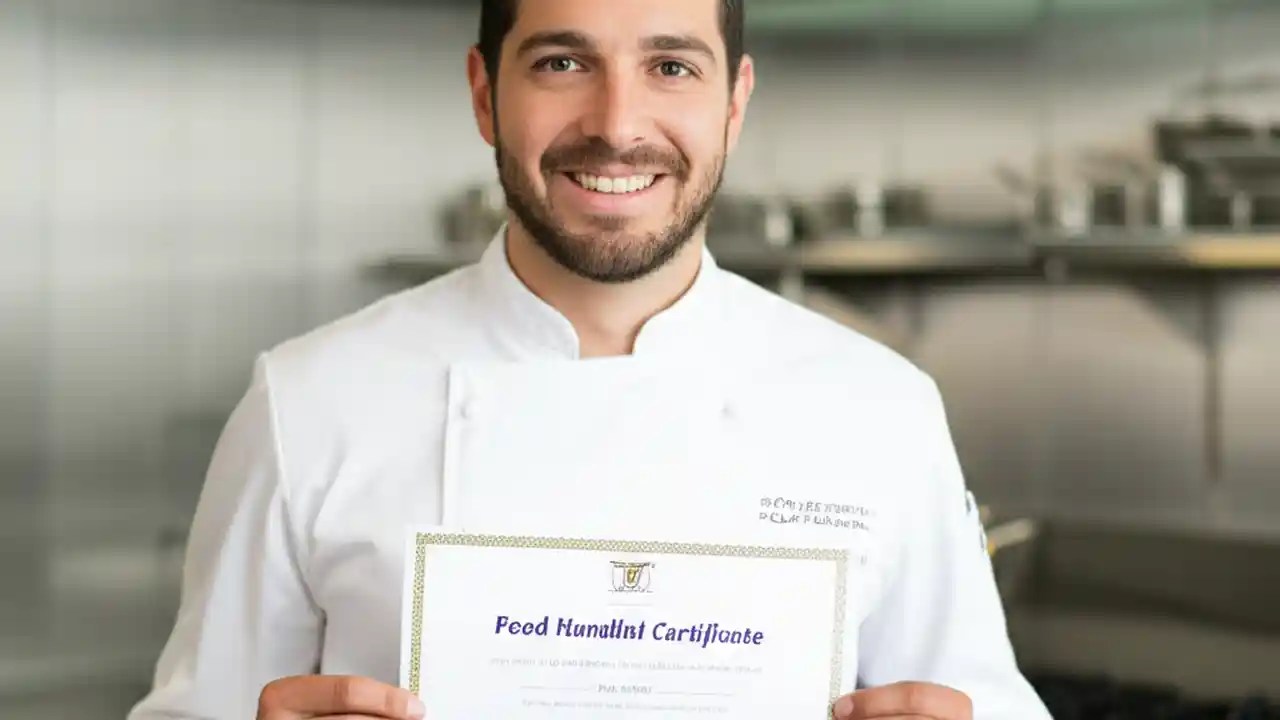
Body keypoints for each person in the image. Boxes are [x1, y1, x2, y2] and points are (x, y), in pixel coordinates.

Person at [129, 0, 1051, 718]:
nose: (617, 122)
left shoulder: (881, 409)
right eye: (563, 62)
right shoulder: (308, 405)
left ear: (734, 103)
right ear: (485, 93)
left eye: (670, 65)